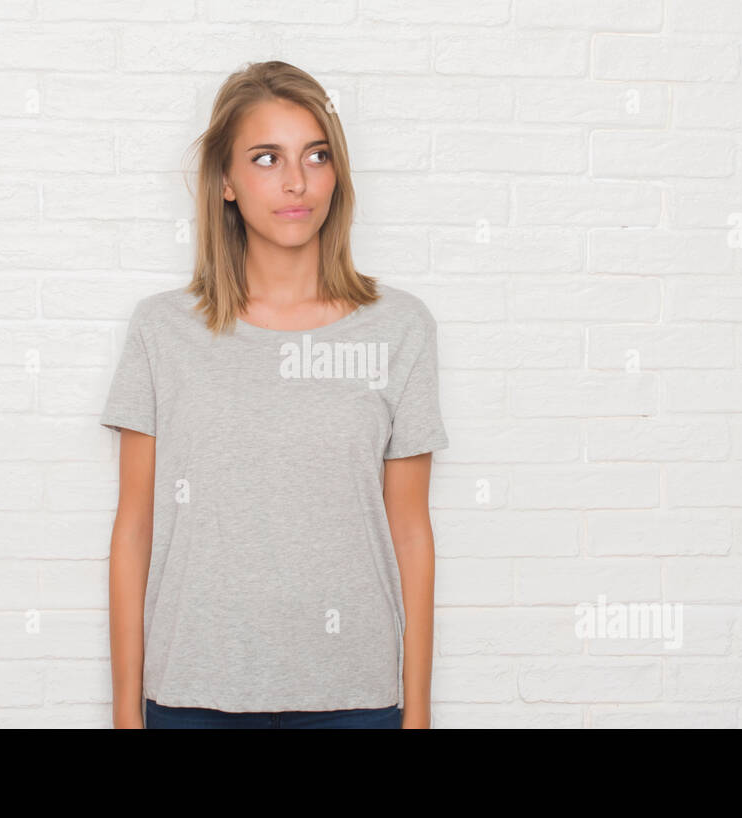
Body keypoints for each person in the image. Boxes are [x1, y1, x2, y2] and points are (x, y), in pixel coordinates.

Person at [100, 60, 448, 729]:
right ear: (225, 182)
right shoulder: (162, 331)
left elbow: (410, 530)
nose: (296, 181)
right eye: (267, 158)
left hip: (353, 697)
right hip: (192, 694)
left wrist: (419, 713)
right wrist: (124, 713)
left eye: (316, 156)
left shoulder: (400, 328)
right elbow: (135, 529)